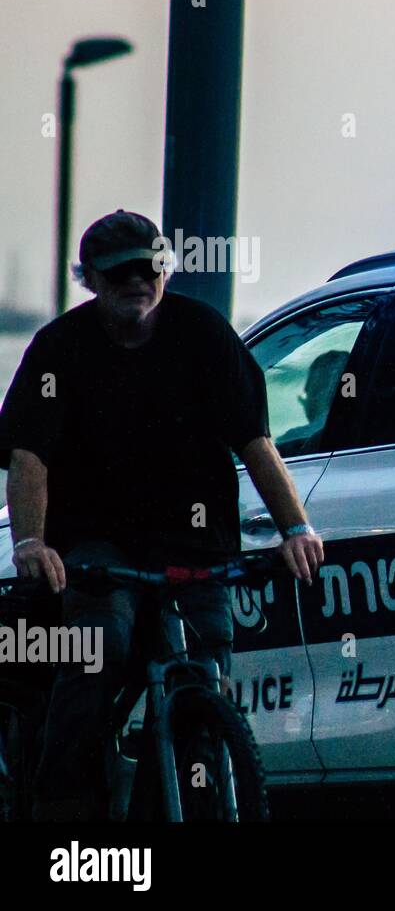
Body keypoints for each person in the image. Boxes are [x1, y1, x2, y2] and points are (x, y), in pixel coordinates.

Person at [0, 210, 325, 820]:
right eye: (120, 271)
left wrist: (296, 529)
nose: (137, 281)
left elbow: (255, 442)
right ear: (91, 277)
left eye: (150, 266)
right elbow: (29, 455)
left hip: (196, 543)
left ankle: (179, 799)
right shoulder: (58, 350)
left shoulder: (204, 334)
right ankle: (64, 812)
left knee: (205, 677)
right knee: (100, 647)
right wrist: (32, 542)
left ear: (166, 271)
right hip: (99, 546)